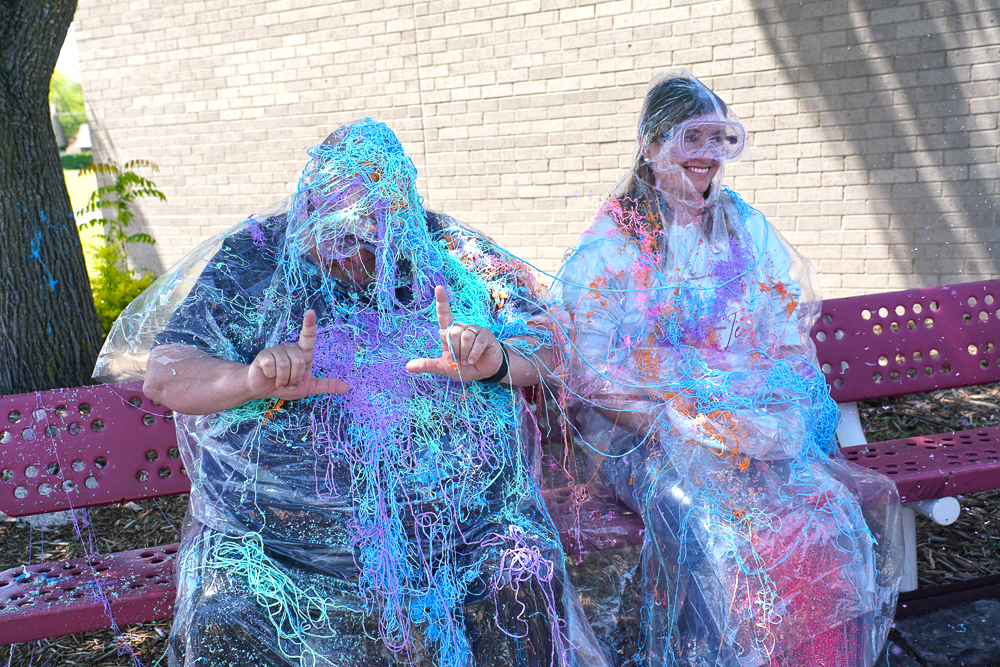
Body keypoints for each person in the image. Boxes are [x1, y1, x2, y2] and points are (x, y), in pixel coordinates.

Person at [94, 119, 610, 667]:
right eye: (337, 228)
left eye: (374, 227)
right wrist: (251, 379)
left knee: (520, 574)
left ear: (402, 209)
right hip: (271, 548)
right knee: (222, 612)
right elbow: (166, 374)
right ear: (307, 207)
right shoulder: (255, 258)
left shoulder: (448, 250)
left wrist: (499, 361)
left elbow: (552, 346)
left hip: (462, 532)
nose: (355, 250)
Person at [550, 71, 903, 666]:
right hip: (638, 435)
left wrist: (771, 408)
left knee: (826, 513)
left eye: (721, 139)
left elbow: (785, 331)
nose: (709, 155)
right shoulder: (614, 241)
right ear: (651, 145)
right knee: (705, 518)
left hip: (743, 427)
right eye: (694, 138)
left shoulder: (744, 228)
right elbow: (587, 365)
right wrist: (669, 421)